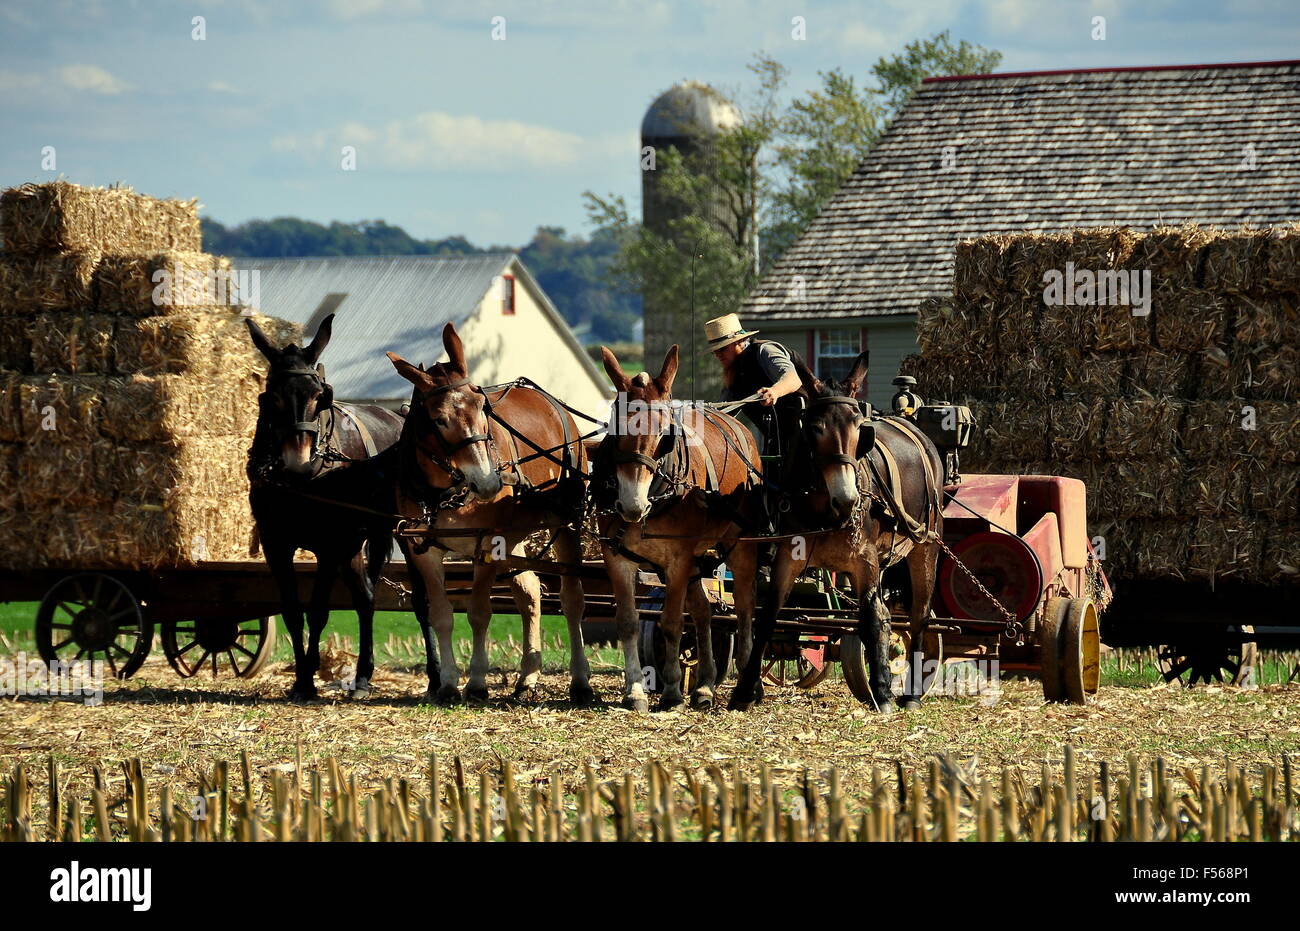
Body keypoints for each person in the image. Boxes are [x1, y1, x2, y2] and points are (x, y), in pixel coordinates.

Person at [707, 313, 809, 464]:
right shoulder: (733, 374)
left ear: (740, 341)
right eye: (715, 351)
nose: (717, 355)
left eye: (722, 349)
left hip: (809, 435)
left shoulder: (765, 351)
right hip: (777, 443)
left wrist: (775, 392)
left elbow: (793, 379)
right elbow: (721, 412)